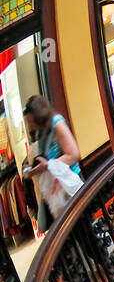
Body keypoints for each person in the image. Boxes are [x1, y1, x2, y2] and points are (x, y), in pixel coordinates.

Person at [20, 95, 82, 232]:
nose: (30, 125)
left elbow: (73, 155)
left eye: (31, 121)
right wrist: (33, 170)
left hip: (69, 187)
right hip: (57, 188)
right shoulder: (41, 133)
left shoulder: (57, 124)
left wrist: (47, 166)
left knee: (80, 229)